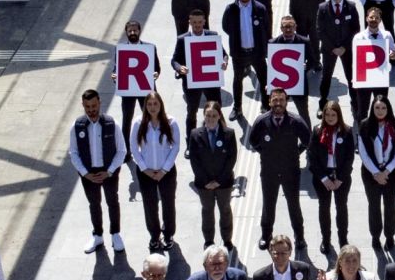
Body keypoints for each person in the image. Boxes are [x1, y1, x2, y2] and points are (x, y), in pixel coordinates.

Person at [247, 88, 311, 250]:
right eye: (275, 100)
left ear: (286, 101)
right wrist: (265, 152)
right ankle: (266, 235)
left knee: (294, 205)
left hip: (291, 171)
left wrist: (297, 152)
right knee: (268, 205)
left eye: (281, 100)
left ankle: (300, 237)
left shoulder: (295, 121)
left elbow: (307, 140)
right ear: (269, 102)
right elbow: (253, 141)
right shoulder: (262, 121)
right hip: (269, 171)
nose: (278, 103)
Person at [69, 89, 127, 254]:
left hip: (109, 171)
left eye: (94, 106)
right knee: (94, 204)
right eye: (87, 107)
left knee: (112, 202)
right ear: (83, 106)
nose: (91, 110)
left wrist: (109, 171)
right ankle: (98, 235)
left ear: (100, 103)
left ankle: (115, 233)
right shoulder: (77, 126)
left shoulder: (111, 124)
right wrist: (85, 173)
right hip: (89, 174)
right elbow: (73, 153)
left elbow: (121, 151)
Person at [130, 91, 181, 253]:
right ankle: (154, 235)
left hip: (166, 172)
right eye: (149, 104)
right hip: (146, 173)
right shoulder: (138, 123)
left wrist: (164, 169)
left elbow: (175, 147)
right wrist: (146, 169)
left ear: (161, 105)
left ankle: (168, 235)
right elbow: (134, 148)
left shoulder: (171, 122)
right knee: (150, 205)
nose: (152, 107)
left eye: (155, 104)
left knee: (168, 203)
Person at [187, 101, 238, 251]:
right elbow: (195, 161)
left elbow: (231, 159)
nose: (210, 119)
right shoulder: (195, 134)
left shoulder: (229, 134)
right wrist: (207, 181)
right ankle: (209, 240)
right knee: (207, 210)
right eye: (208, 115)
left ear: (219, 116)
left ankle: (227, 239)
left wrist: (219, 181)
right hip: (204, 184)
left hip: (224, 183)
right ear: (204, 116)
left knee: (225, 210)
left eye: (214, 116)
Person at [358, 95, 395, 250]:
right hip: (371, 173)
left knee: (390, 205)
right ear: (372, 109)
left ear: (388, 109)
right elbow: (363, 153)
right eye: (377, 108)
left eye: (383, 108)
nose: (380, 111)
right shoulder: (365, 125)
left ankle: (390, 236)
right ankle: (375, 236)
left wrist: (386, 171)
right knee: (374, 205)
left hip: (391, 172)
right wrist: (376, 173)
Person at [308, 101, 355, 253]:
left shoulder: (347, 131)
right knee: (324, 208)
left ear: (338, 115)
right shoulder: (317, 131)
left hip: (341, 177)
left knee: (341, 208)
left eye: (333, 115)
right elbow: (312, 158)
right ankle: (326, 240)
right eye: (327, 115)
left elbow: (349, 158)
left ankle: (343, 239)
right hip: (322, 177)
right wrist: (324, 178)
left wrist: (340, 178)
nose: (330, 118)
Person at [111, 20, 161, 159]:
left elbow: (157, 67)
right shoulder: (120, 49)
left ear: (139, 31)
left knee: (151, 118)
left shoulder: (150, 48)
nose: (132, 33)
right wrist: (114, 75)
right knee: (127, 120)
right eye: (130, 31)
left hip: (145, 91)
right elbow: (116, 68)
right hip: (128, 92)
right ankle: (126, 151)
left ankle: (152, 145)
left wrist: (156, 74)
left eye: (135, 30)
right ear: (126, 32)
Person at [171, 9, 226, 128]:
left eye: (200, 22)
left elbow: (224, 54)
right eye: (194, 22)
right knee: (192, 111)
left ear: (204, 22)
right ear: (190, 22)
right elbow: (174, 60)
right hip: (191, 81)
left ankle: (220, 133)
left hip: (210, 81)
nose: (197, 25)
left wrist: (224, 62)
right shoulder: (182, 39)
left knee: (216, 109)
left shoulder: (213, 36)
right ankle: (191, 138)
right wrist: (180, 68)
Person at [223, 0, 271, 117]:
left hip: (257, 52)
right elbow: (226, 26)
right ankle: (237, 107)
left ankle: (265, 104)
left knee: (264, 79)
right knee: (237, 80)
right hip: (239, 52)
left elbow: (266, 26)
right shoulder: (231, 9)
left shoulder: (260, 8)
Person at [316, 0, 360, 112]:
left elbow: (355, 29)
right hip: (330, 50)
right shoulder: (322, 8)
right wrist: (333, 48)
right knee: (326, 77)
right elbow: (319, 30)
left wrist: (344, 47)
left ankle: (355, 102)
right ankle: (322, 103)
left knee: (351, 77)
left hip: (347, 49)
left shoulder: (351, 6)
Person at [352, 8, 395, 126]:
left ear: (380, 20)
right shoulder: (359, 37)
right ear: (366, 18)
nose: (374, 20)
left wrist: (393, 55)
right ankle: (362, 133)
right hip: (364, 80)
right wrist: (354, 77)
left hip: (380, 79)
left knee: (380, 107)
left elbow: (393, 50)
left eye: (376, 18)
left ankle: (380, 129)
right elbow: (355, 59)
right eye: (371, 17)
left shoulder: (387, 35)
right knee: (363, 109)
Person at [251, 235, 318, 280]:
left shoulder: (304, 270)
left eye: (283, 253)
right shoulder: (259, 277)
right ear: (270, 253)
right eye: (276, 253)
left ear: (290, 253)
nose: (279, 257)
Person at [270, 15, 314, 124]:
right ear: (281, 28)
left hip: (299, 84)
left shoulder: (305, 41)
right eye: (285, 27)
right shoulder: (273, 43)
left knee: (303, 113)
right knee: (277, 112)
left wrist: (306, 67)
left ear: (295, 27)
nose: (288, 29)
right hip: (280, 86)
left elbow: (313, 61)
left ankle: (307, 138)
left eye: (291, 26)